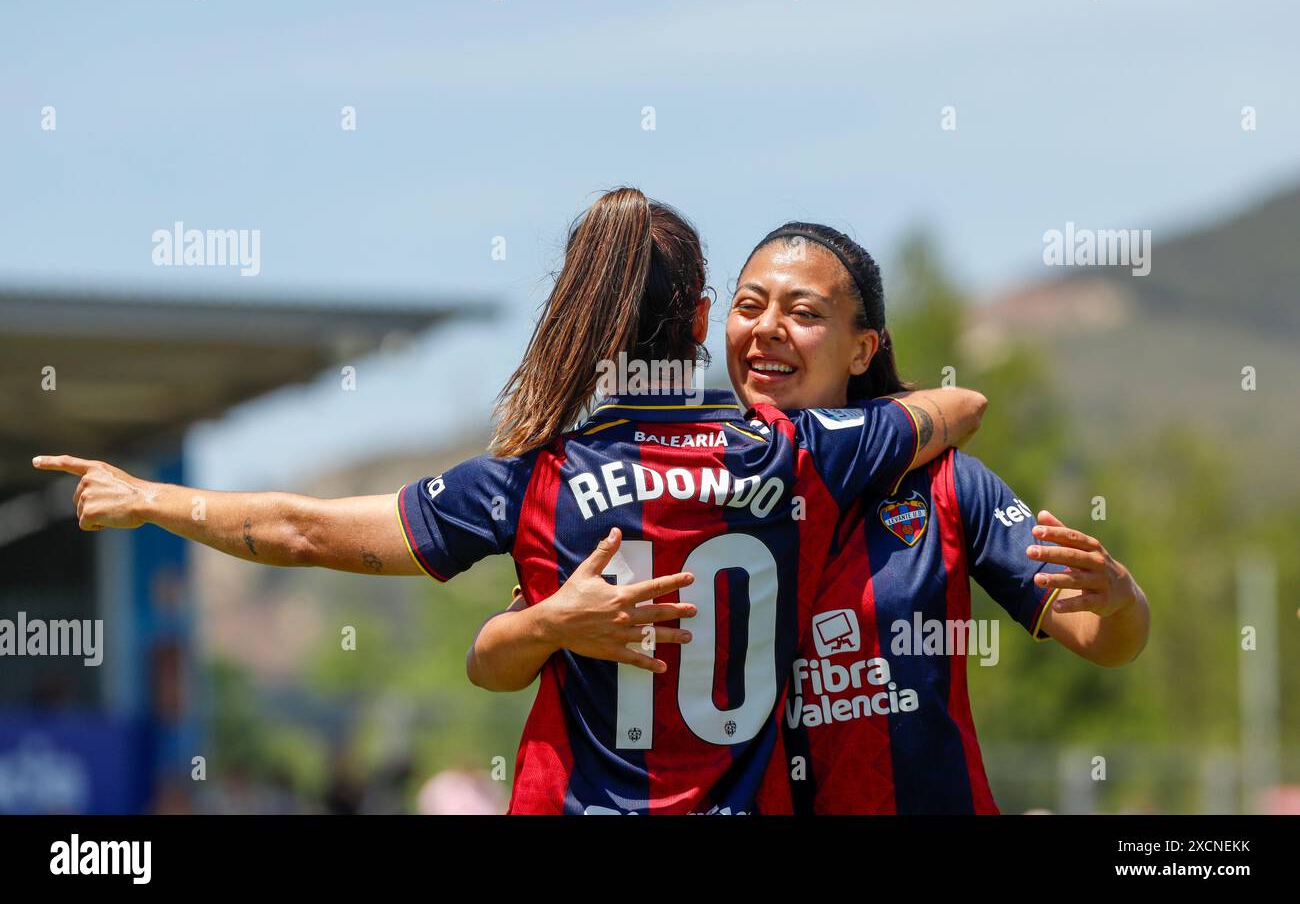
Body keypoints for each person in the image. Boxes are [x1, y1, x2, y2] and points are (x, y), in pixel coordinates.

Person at [33, 187, 987, 815]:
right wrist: (884, 413)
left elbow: (302, 529)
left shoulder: (534, 480)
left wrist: (155, 498)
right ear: (702, 321)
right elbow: (958, 408)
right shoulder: (798, 450)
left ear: (576, 319)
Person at [469, 221, 1149, 814]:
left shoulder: (943, 483)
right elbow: (501, 657)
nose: (768, 327)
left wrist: (1122, 601)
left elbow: (1101, 638)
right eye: (749, 305)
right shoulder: (666, 494)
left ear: (862, 350)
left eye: (803, 311)